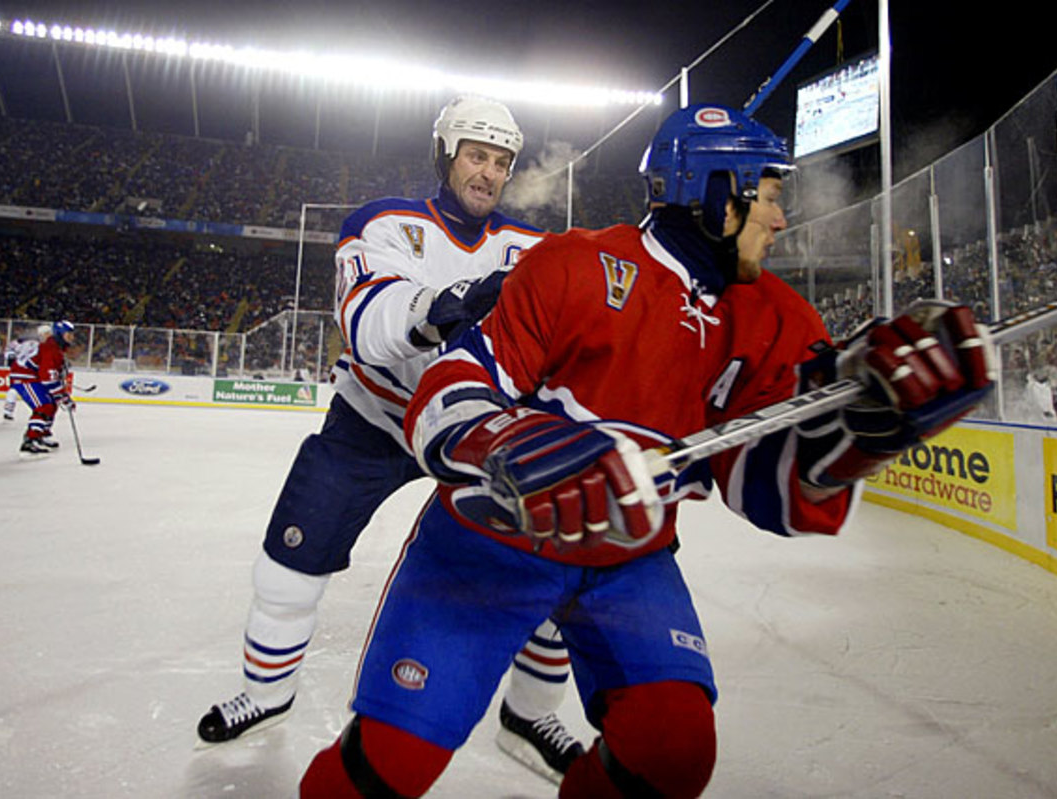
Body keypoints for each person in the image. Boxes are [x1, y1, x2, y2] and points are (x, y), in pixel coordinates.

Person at [297, 104, 995, 797]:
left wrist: (862, 428)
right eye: (770, 198)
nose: (780, 221)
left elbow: (766, 485)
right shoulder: (572, 263)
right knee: (387, 762)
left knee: (673, 748)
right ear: (717, 191)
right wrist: (511, 446)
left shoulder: (777, 318)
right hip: (491, 543)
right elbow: (452, 387)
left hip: (629, 556)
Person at [197, 95, 584, 782]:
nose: (488, 173)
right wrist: (449, 305)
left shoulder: (534, 249)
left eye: (500, 162)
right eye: (476, 155)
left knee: (558, 549)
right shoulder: (379, 223)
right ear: (445, 154)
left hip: (473, 428)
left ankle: (530, 712)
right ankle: (266, 692)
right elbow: (368, 329)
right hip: (372, 421)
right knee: (290, 561)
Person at [11, 321, 75, 456]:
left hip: (32, 376)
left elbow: (50, 373)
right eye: (68, 334)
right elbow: (47, 377)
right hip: (24, 377)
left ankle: (42, 434)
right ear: (59, 334)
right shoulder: (51, 349)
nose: (71, 338)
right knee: (44, 405)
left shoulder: (56, 347)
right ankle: (31, 439)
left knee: (51, 404)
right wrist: (62, 396)